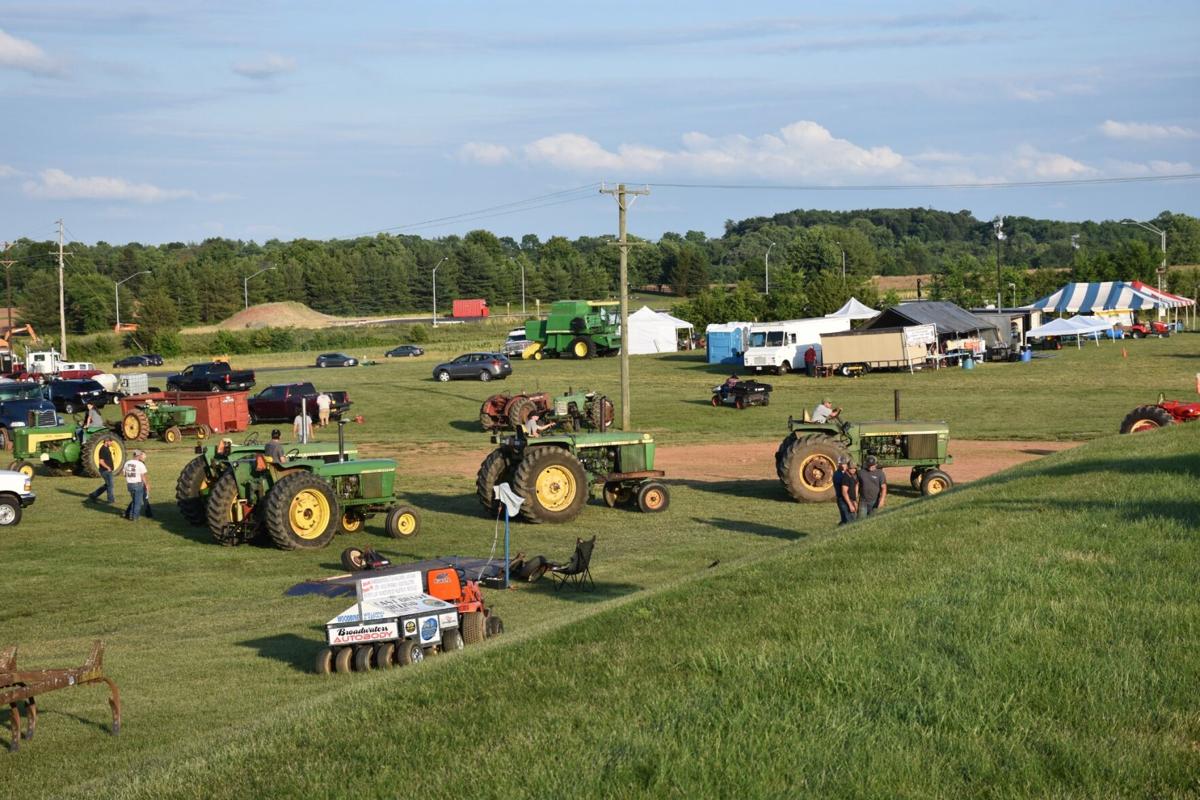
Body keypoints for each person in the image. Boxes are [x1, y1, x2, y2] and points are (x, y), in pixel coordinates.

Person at [85, 437, 118, 504]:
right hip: (105, 471)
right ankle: (111, 500)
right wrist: (108, 467)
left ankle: (93, 495)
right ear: (107, 441)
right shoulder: (103, 449)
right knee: (110, 485)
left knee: (107, 485)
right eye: (111, 442)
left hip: (107, 470)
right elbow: (101, 461)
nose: (111, 443)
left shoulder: (107, 448)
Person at [123, 450, 150, 522]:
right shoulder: (140, 464)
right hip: (137, 484)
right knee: (138, 502)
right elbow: (143, 476)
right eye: (141, 455)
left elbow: (124, 474)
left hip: (129, 484)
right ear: (138, 456)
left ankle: (128, 514)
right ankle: (134, 517)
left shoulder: (127, 463)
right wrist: (146, 484)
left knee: (134, 500)